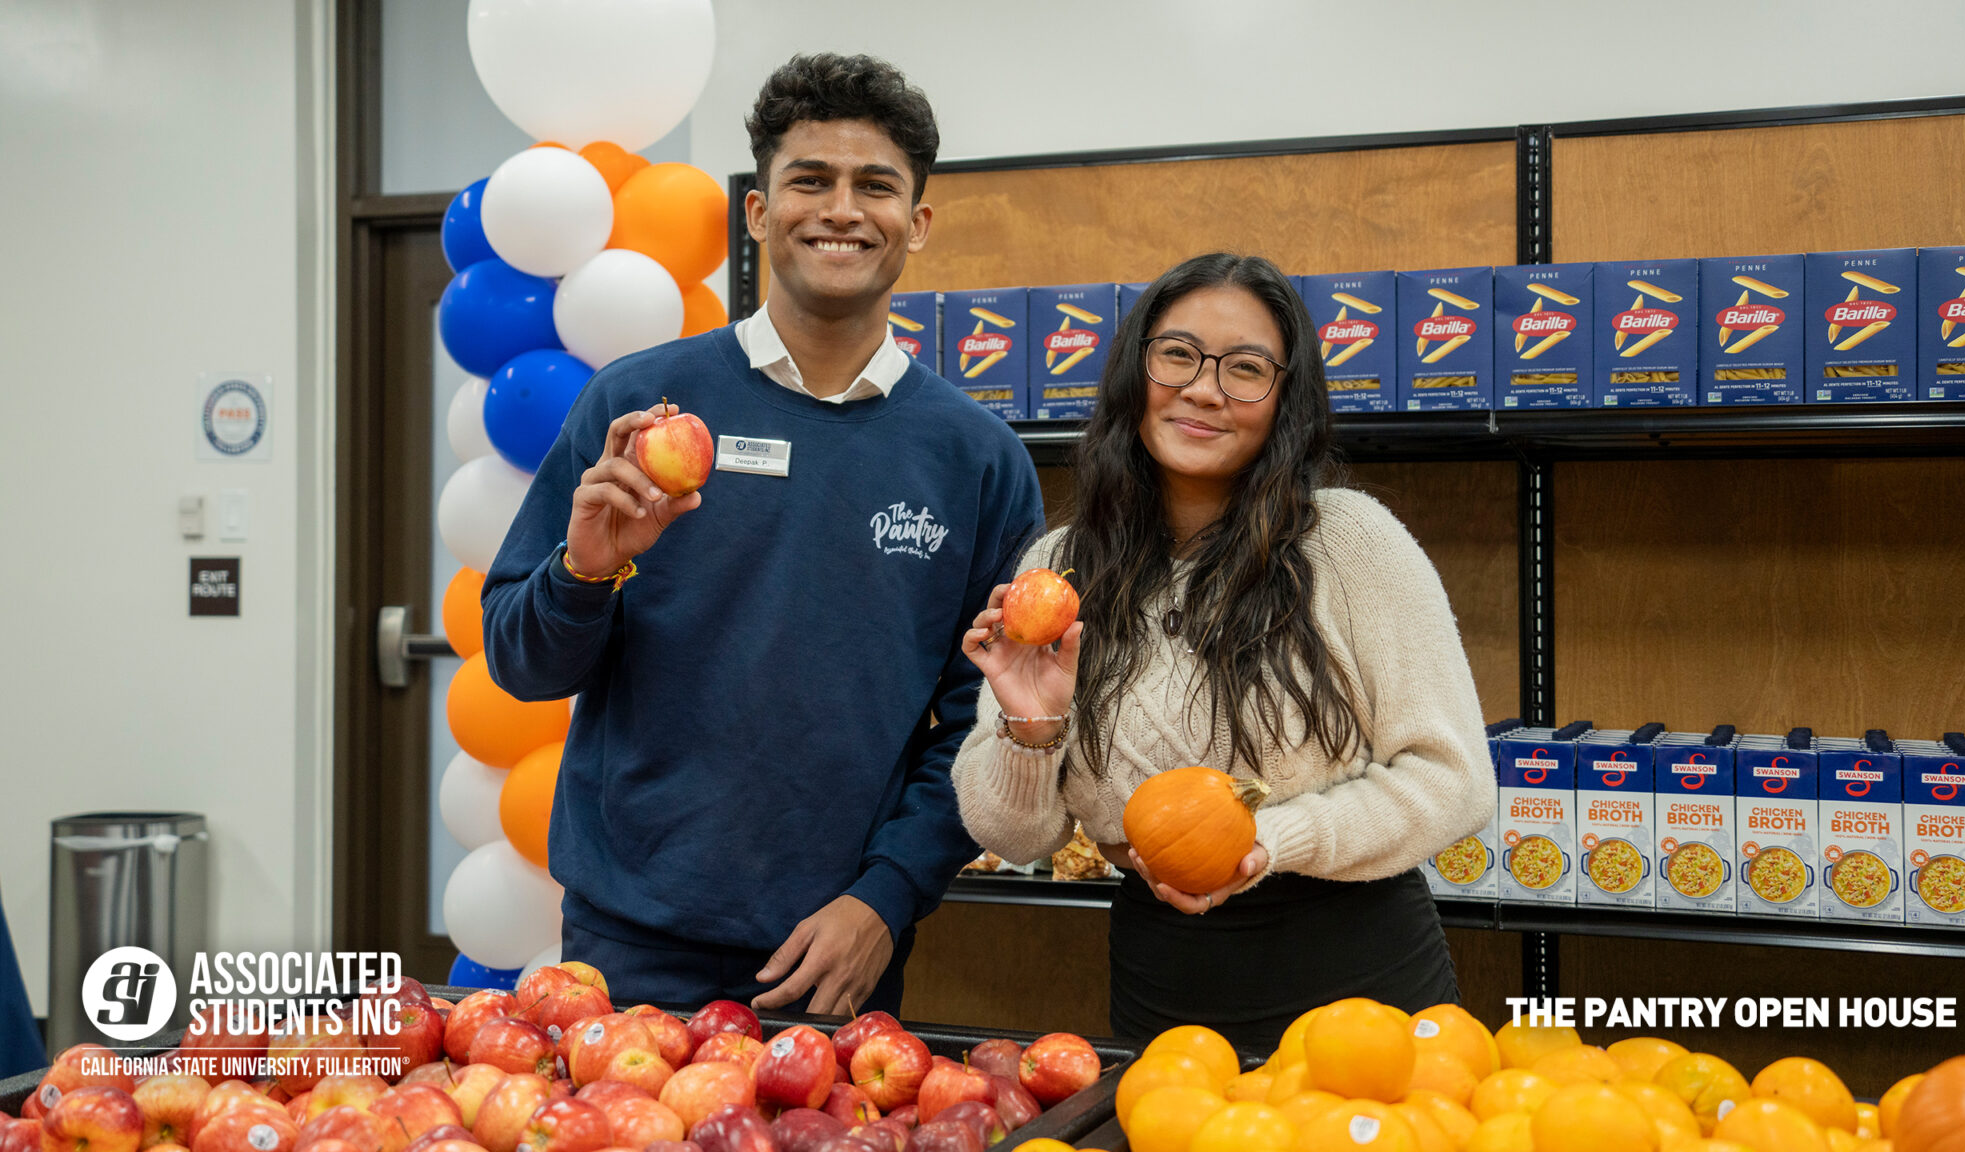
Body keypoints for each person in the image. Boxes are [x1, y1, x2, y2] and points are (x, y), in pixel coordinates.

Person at [482, 53, 1042, 1016]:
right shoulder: (636, 407)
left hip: (833, 955)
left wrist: (885, 898)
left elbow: (980, 720)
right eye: (809, 180)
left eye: (876, 186)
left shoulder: (978, 460)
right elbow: (521, 665)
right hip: (627, 941)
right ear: (757, 212)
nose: (840, 210)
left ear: (918, 222)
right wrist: (582, 571)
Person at [952, 252, 1494, 1053]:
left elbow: (1454, 780)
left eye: (1246, 368)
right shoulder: (1060, 567)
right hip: (1163, 985)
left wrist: (1269, 842)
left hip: (1361, 983)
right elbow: (1016, 835)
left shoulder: (1349, 544)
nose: (1203, 389)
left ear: (1286, 401)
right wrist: (1031, 727)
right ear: (1135, 372)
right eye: (1176, 355)